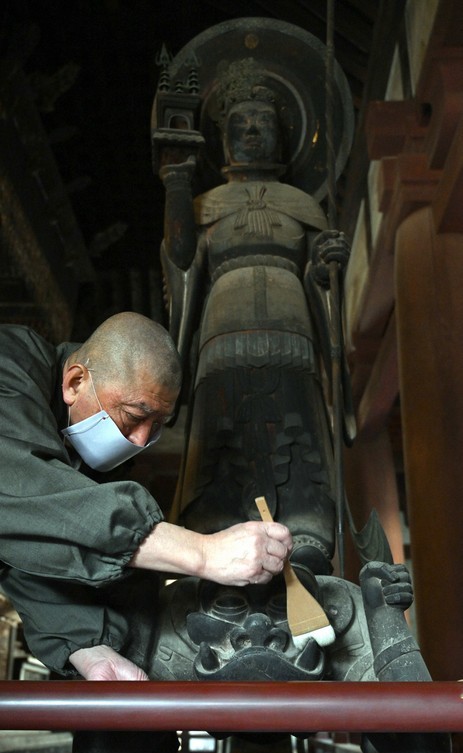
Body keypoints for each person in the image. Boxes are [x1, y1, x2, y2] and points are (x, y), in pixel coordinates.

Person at [0, 311, 291, 753]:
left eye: (158, 424)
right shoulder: (9, 367)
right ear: (75, 382)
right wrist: (203, 553)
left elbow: (28, 554)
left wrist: (89, 647)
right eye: (135, 416)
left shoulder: (94, 463)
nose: (141, 440)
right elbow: (21, 496)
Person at [157, 57, 352, 576]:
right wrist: (176, 183)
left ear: (285, 137)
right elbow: (182, 261)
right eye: (240, 123)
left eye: (262, 122)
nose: (251, 131)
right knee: (221, 436)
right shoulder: (206, 204)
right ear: (221, 141)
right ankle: (216, 530)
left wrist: (326, 265)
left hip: (294, 336)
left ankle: (307, 532)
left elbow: (319, 275)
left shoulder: (302, 204)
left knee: (299, 430)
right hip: (221, 338)